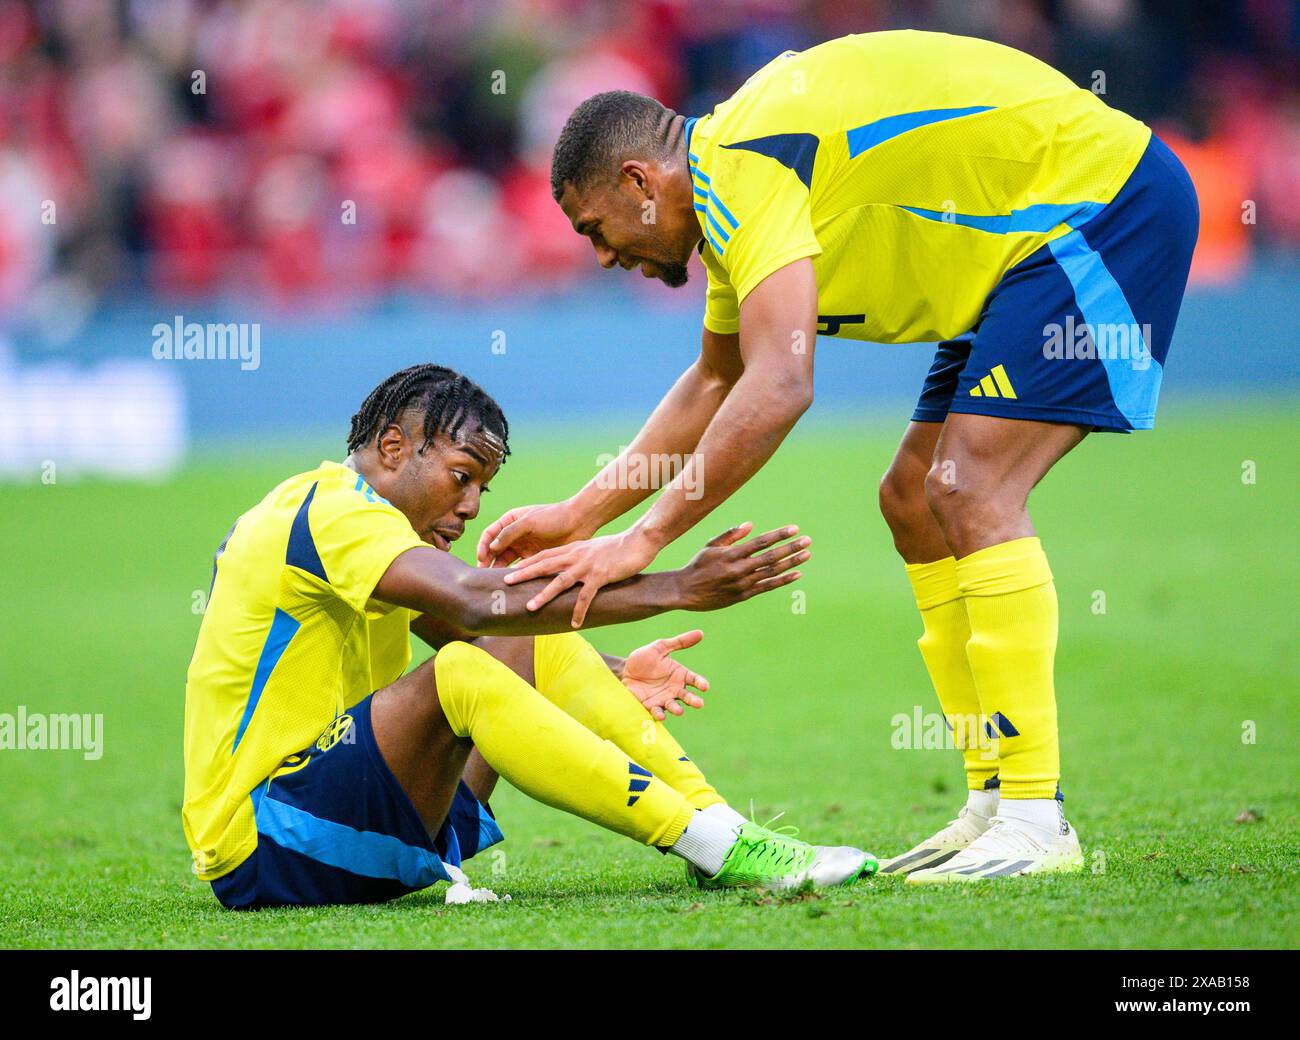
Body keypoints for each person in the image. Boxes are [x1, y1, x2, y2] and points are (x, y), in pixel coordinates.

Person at [476, 31, 1200, 882]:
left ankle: (1038, 819)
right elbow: (717, 379)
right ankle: (995, 801)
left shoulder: (744, 169)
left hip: (1101, 209)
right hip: (1022, 253)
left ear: (640, 184)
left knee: (971, 487)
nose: (603, 256)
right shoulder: (726, 187)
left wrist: (644, 540)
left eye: (596, 228)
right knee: (913, 500)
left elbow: (781, 385)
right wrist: (579, 516)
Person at [182, 363, 875, 909]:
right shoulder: (328, 509)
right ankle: (709, 846)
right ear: (393, 446)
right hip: (265, 842)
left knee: (528, 644)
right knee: (466, 672)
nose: (472, 505)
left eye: (482, 486)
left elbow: (493, 630)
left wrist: (606, 673)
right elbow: (476, 607)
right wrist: (675, 588)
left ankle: (725, 830)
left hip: (351, 825)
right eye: (460, 476)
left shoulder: (366, 526)